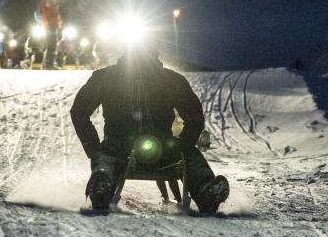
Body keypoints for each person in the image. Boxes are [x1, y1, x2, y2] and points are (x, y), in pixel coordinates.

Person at [70, 38, 229, 213]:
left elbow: (194, 115)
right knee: (106, 157)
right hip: (121, 142)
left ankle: (206, 190)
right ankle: (101, 185)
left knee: (188, 155)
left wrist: (185, 142)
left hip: (160, 146)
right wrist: (93, 148)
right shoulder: (107, 77)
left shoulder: (171, 80)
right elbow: (79, 112)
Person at [39, 0, 61, 69]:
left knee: (53, 46)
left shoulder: (52, 5)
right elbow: (47, 14)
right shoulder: (48, 4)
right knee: (51, 46)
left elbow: (55, 15)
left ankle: (50, 63)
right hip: (50, 27)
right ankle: (48, 64)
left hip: (52, 27)